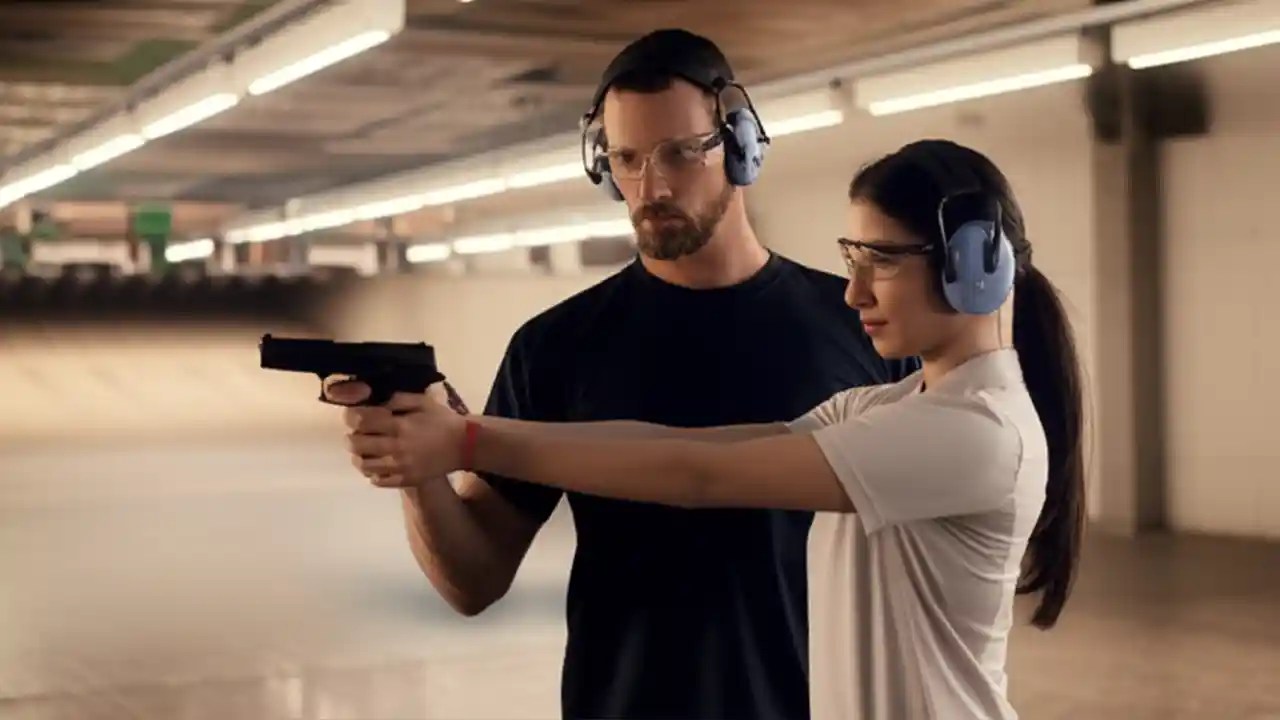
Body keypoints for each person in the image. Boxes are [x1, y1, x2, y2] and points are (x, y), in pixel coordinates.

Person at [336, 138, 1086, 719]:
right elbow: (688, 445)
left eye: (882, 261)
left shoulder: (975, 432)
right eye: (851, 259)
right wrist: (470, 433)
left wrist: (468, 442)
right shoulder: (889, 409)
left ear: (975, 266)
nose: (854, 291)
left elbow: (698, 479)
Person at [327, 28, 916, 720]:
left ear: (741, 144)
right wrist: (417, 466)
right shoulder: (557, 347)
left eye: (679, 153)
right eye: (627, 159)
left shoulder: (863, 329)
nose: (651, 186)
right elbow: (473, 580)